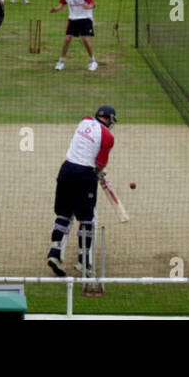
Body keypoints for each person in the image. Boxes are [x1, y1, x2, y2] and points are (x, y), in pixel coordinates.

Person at [46, 105, 116, 278]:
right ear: (109, 119)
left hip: (66, 170)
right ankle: (84, 262)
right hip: (84, 176)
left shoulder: (84, 121)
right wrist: (99, 174)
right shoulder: (108, 136)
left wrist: (96, 172)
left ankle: (55, 254)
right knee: (87, 219)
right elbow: (99, 165)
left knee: (64, 214)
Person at [50, 0, 98, 72]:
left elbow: (93, 4)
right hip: (73, 19)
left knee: (85, 39)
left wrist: (88, 7)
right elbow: (62, 4)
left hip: (85, 18)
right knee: (67, 39)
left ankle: (93, 61)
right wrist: (56, 9)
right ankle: (61, 61)